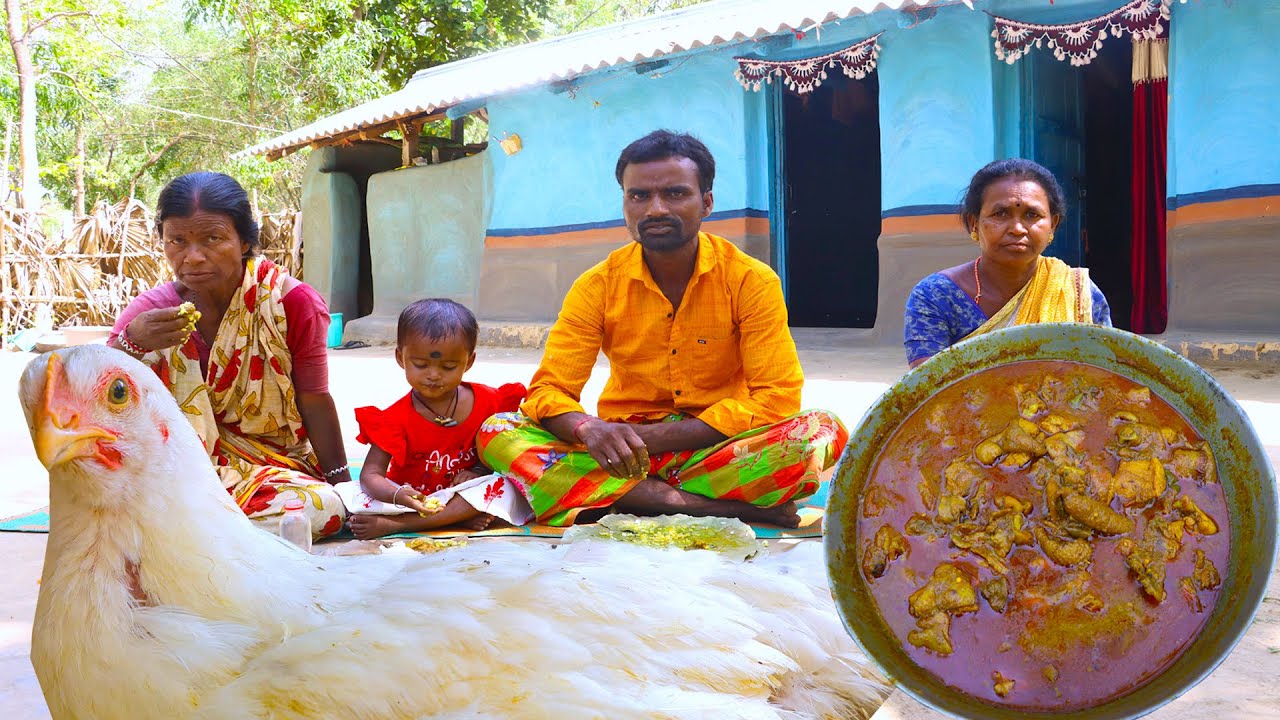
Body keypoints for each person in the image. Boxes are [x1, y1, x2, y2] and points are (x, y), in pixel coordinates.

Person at [477, 129, 848, 529]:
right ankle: (710, 507)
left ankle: (621, 496)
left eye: (674, 193)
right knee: (497, 430)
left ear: (706, 202)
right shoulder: (597, 285)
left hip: (712, 446)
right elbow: (550, 391)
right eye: (638, 196)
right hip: (618, 448)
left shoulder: (750, 281)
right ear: (625, 204)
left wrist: (638, 444)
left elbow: (776, 398)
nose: (654, 209)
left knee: (820, 433)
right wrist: (590, 429)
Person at [109, 171, 349, 538]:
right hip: (177, 467)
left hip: (271, 464)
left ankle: (186, 532)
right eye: (177, 240)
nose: (193, 257)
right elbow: (97, 390)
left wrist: (344, 484)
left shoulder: (289, 303)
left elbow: (314, 398)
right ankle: (201, 529)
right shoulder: (152, 311)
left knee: (324, 508)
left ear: (244, 240)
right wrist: (132, 343)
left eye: (212, 238)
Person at [338, 299, 531, 540]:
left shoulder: (489, 402)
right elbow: (370, 476)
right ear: (400, 358)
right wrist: (398, 494)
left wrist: (479, 469)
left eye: (448, 366)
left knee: (508, 487)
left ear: (468, 362)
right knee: (348, 496)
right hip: (409, 500)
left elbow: (502, 452)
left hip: (462, 495)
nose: (433, 375)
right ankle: (453, 519)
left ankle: (397, 526)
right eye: (420, 365)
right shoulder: (394, 418)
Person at [904, 158, 1112, 368]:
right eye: (1001, 213)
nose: (1017, 228)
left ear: (1053, 225)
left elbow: (1105, 375)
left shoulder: (1078, 293)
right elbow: (928, 387)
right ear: (973, 222)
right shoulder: (936, 296)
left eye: (1032, 215)